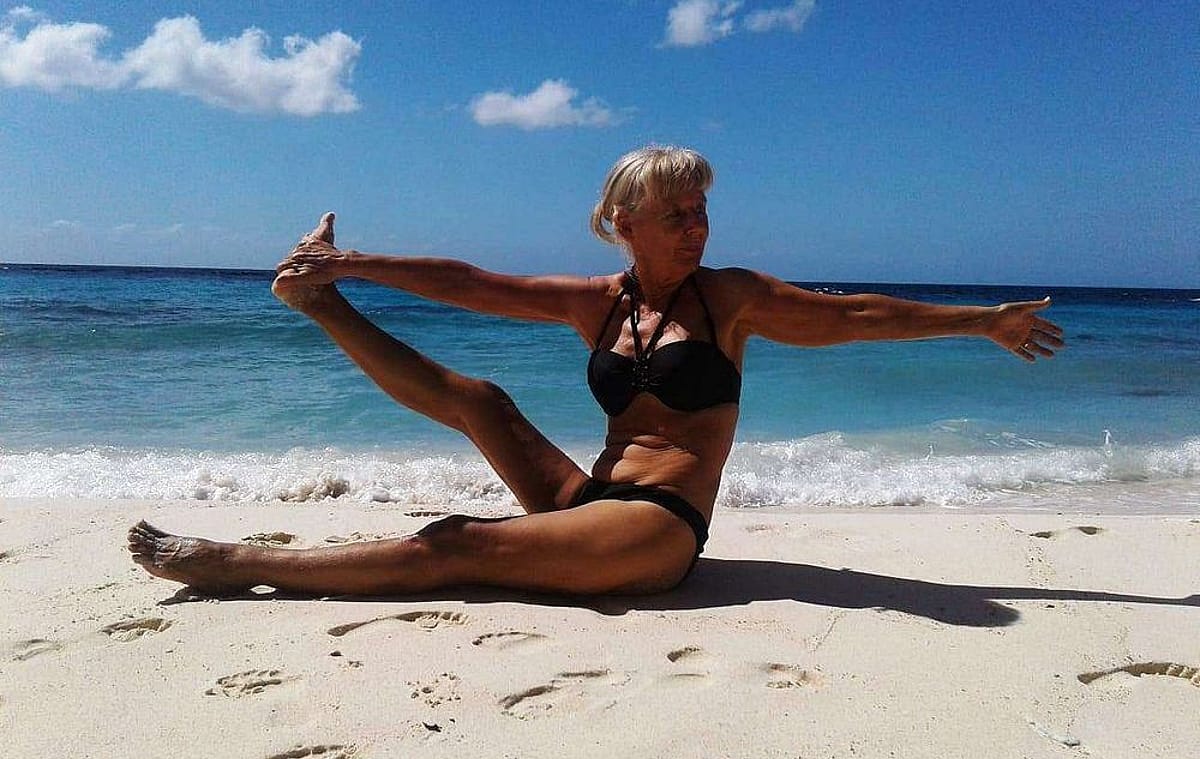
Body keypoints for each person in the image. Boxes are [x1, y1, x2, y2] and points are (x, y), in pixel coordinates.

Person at [128, 146, 1063, 597]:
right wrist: (354, 266)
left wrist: (984, 321)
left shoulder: (728, 299)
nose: (698, 227)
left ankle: (241, 563)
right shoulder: (597, 301)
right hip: (587, 502)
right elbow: (475, 284)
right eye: (678, 215)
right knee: (478, 399)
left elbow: (855, 317)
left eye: (701, 210)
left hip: (659, 533)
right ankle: (321, 306)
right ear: (626, 223)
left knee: (459, 542)